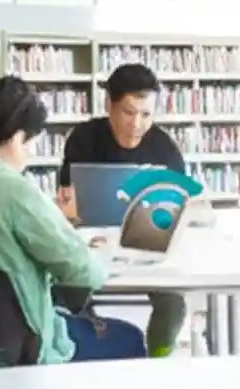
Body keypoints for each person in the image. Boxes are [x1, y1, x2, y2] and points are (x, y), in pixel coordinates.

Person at [0, 77, 146, 364]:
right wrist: (101, 253)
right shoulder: (15, 190)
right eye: (31, 142)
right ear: (17, 136)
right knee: (129, 338)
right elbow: (83, 271)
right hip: (27, 348)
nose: (31, 151)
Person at [57, 63, 188, 358]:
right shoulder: (83, 139)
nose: (137, 124)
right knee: (69, 292)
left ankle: (158, 359)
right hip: (91, 244)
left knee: (173, 301)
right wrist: (70, 211)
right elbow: (67, 198)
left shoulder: (164, 148)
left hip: (148, 246)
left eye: (146, 115)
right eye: (129, 113)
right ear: (110, 106)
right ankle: (77, 352)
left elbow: (180, 203)